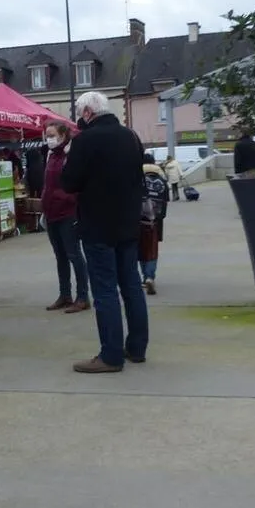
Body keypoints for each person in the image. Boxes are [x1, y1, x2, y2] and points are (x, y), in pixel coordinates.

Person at [61, 91, 149, 373]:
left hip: (98, 225)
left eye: (78, 112)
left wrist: (68, 159)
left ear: (87, 112)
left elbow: (69, 183)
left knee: (105, 290)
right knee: (131, 285)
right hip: (128, 223)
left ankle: (111, 355)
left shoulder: (84, 141)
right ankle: (136, 348)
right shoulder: (130, 137)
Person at [41, 122, 90, 314]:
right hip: (51, 212)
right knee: (60, 256)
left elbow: (77, 183)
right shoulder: (50, 155)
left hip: (67, 213)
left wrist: (67, 199)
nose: (49, 139)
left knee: (74, 255)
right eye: (47, 135)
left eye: (52, 135)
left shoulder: (70, 155)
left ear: (63, 136)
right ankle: (65, 295)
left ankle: (83, 296)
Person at [140, 153, 170, 295]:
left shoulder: (138, 179)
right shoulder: (162, 182)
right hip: (156, 222)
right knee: (152, 251)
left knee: (140, 249)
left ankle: (144, 276)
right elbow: (166, 202)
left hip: (138, 220)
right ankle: (150, 276)